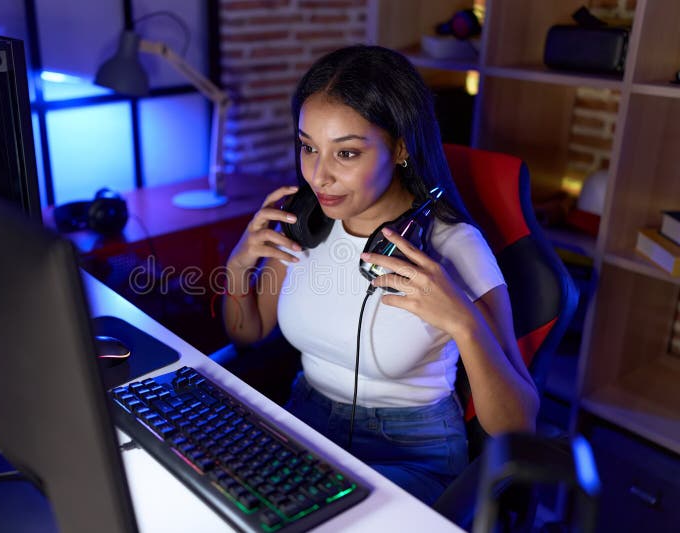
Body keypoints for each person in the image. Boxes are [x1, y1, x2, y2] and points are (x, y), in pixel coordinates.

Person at [222, 45, 538, 505]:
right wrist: (237, 268)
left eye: (346, 154)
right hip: (304, 423)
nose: (319, 176)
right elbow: (248, 333)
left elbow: (517, 424)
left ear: (401, 146)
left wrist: (463, 323)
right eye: (308, 147)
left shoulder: (456, 247)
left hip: (410, 453)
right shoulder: (302, 219)